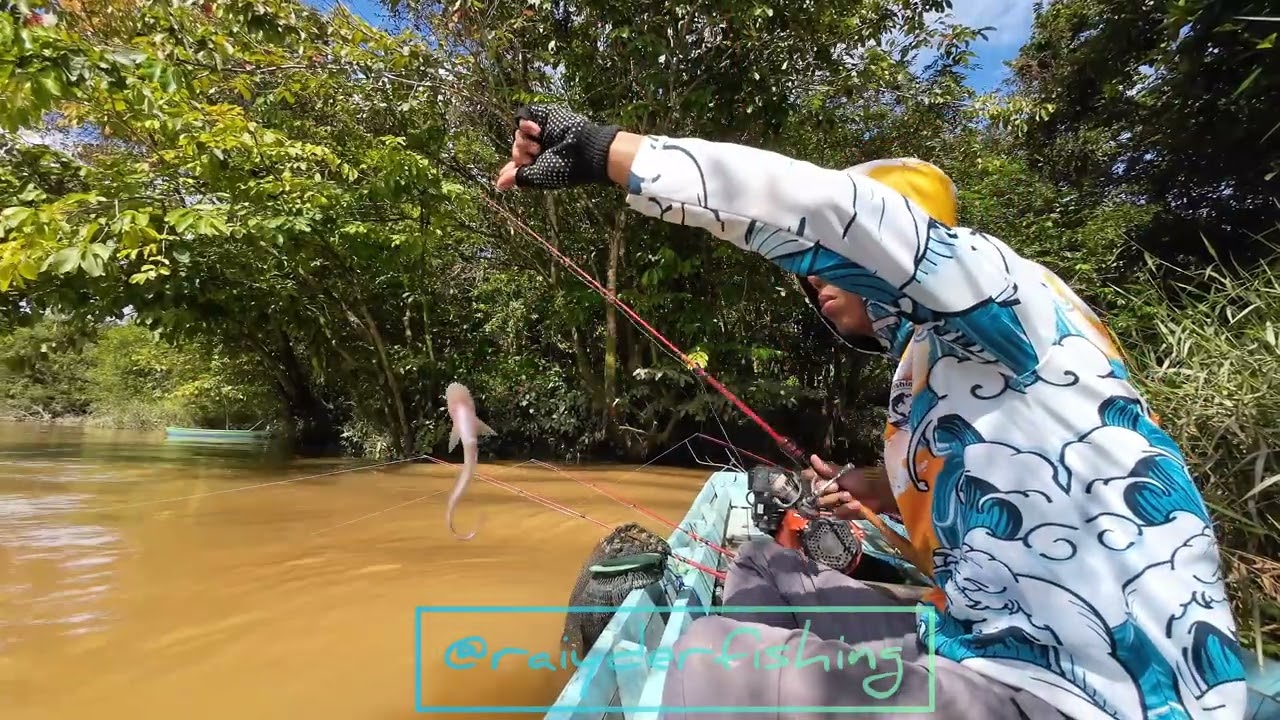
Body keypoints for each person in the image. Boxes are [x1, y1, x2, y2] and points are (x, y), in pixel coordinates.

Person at [496, 105, 1248, 719]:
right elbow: (1001, 485)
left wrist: (605, 151)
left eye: (825, 260)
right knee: (758, 566)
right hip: (982, 633)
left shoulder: (996, 290)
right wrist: (879, 487)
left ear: (903, 241)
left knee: (703, 665)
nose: (813, 274)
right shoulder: (941, 349)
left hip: (1105, 693)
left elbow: (820, 212)